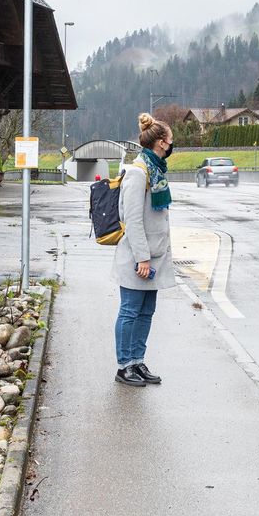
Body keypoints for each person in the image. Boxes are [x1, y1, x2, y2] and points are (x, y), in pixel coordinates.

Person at [111, 113, 176, 387]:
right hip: (139, 258)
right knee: (130, 311)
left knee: (146, 311)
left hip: (154, 256)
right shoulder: (138, 172)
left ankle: (137, 361)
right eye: (170, 140)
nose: (172, 145)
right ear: (161, 143)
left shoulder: (155, 170)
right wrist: (142, 258)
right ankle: (124, 365)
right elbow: (133, 219)